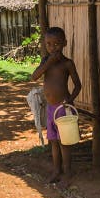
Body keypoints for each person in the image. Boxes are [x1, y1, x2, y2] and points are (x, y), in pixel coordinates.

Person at [30, 26, 81, 188]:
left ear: (65, 43)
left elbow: (78, 85)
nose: (53, 48)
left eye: (57, 44)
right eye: (49, 44)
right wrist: (49, 62)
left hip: (63, 109)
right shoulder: (46, 61)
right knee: (53, 141)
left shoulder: (67, 63)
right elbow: (34, 76)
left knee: (64, 143)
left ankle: (67, 173)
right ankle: (56, 171)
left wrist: (70, 100)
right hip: (51, 108)